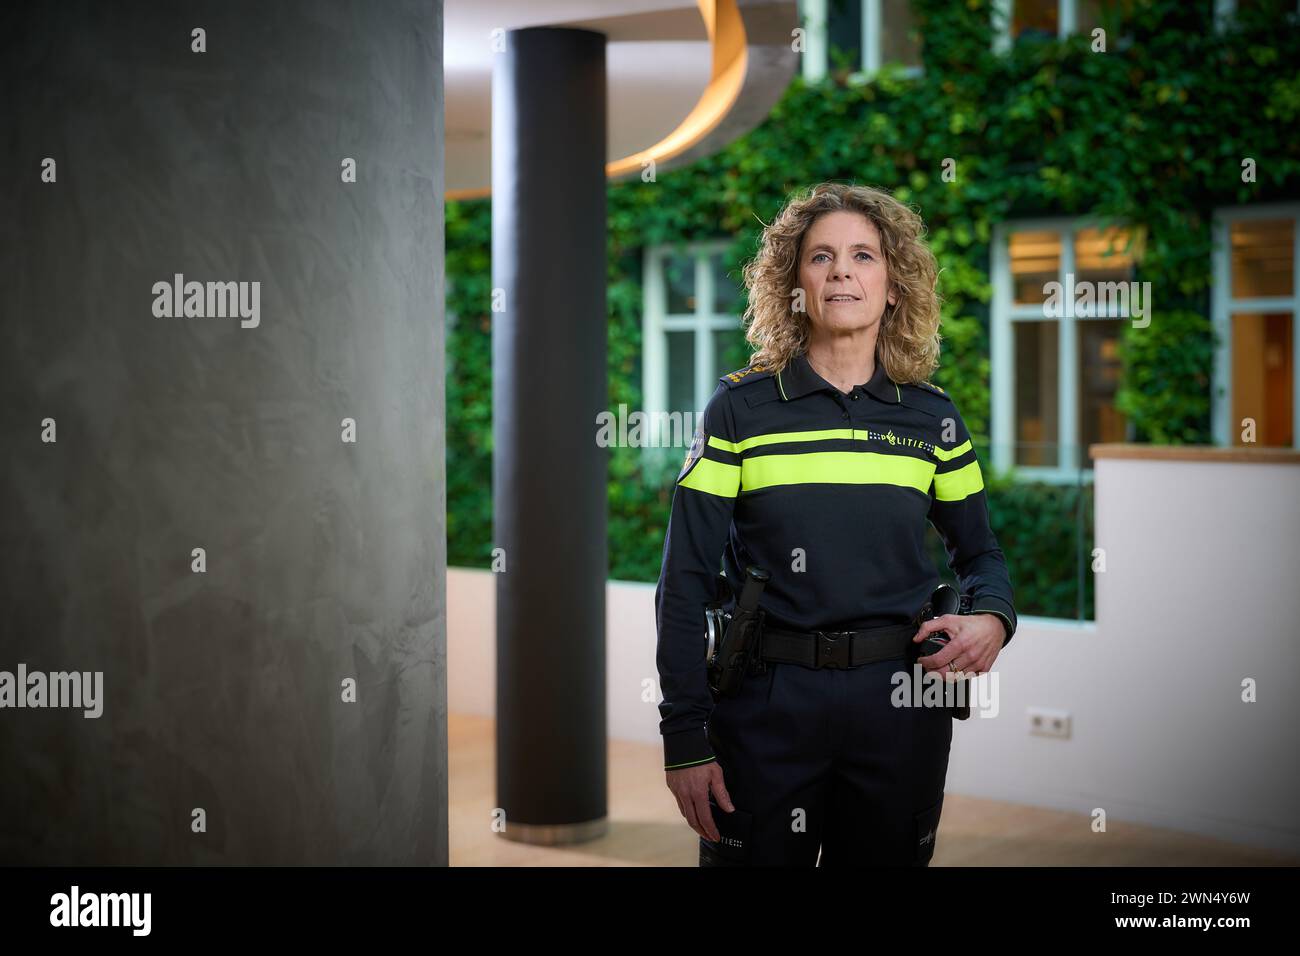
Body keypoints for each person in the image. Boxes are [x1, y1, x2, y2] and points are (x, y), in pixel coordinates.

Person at [654, 182, 1017, 866]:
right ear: (795, 284)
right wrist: (685, 739)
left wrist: (992, 618)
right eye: (821, 257)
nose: (842, 271)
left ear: (894, 284)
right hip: (765, 710)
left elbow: (982, 554)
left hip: (902, 707)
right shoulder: (739, 412)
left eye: (863, 256)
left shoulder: (934, 419)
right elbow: (684, 581)